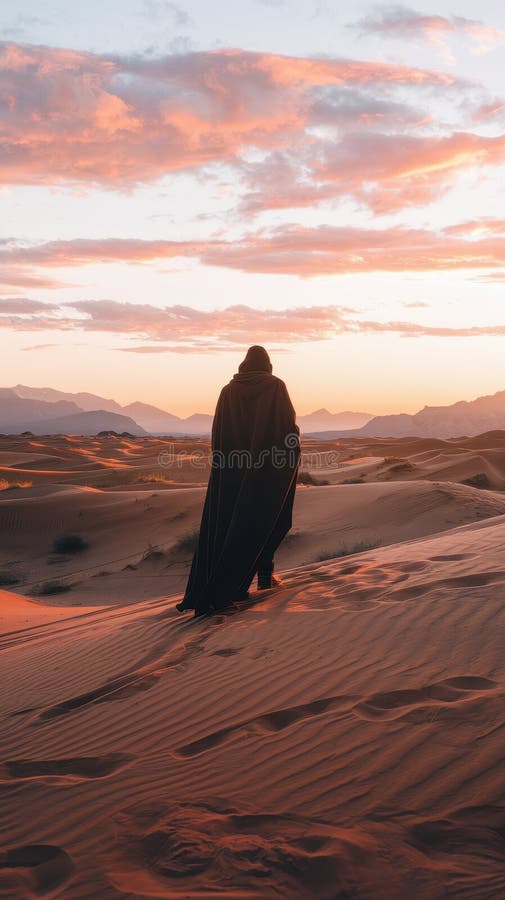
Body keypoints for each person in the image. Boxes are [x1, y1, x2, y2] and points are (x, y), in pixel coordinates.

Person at [176, 345, 300, 617]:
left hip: (231, 473)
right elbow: (287, 428)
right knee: (270, 521)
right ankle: (259, 576)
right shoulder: (276, 387)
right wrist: (288, 459)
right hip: (267, 472)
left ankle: (241, 582)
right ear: (267, 365)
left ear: (244, 364)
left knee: (229, 526)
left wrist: (224, 467)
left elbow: (218, 434)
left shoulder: (227, 392)